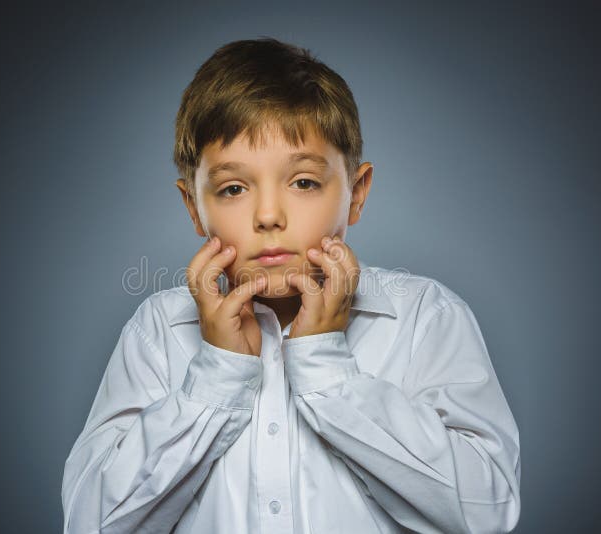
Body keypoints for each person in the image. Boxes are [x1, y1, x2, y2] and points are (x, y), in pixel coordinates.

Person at [61, 37, 521, 534]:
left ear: (357, 194)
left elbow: (487, 511)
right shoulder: (160, 331)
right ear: (194, 208)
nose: (268, 216)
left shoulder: (425, 317)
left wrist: (327, 370)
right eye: (234, 188)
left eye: (303, 182)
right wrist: (217, 374)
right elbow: (91, 522)